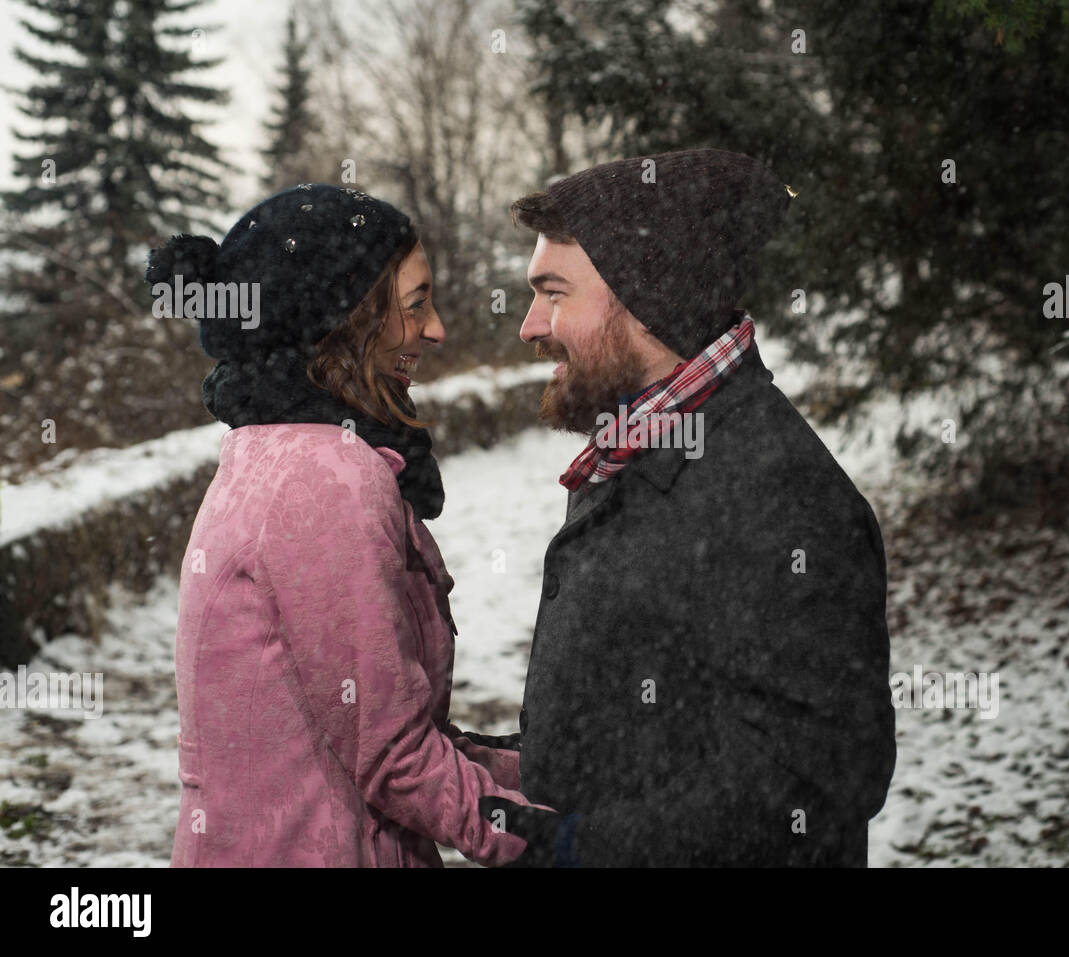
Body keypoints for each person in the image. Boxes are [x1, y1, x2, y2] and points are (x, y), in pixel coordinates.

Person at [479, 148, 897, 866]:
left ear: (646, 299)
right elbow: (666, 720)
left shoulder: (777, 490)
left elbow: (815, 780)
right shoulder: (639, 450)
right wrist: (516, 766)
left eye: (553, 293)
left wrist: (589, 849)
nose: (529, 326)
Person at [150, 184, 543, 867]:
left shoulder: (268, 448)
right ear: (346, 318)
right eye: (416, 303)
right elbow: (398, 760)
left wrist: (540, 769)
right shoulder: (325, 476)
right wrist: (561, 842)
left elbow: (378, 726)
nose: (439, 328)